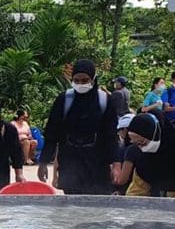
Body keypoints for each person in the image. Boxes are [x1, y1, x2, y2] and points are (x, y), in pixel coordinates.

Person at [37, 59, 120, 195]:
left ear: (93, 79)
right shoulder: (64, 100)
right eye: (76, 80)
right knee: (72, 207)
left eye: (85, 80)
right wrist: (43, 162)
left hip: (97, 163)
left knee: (98, 205)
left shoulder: (104, 101)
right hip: (70, 161)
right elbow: (52, 133)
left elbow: (111, 135)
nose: (80, 84)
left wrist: (116, 164)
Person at [111, 113, 139, 195]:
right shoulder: (144, 146)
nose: (118, 133)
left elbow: (121, 180)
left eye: (119, 130)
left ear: (125, 130)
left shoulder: (127, 149)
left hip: (127, 191)